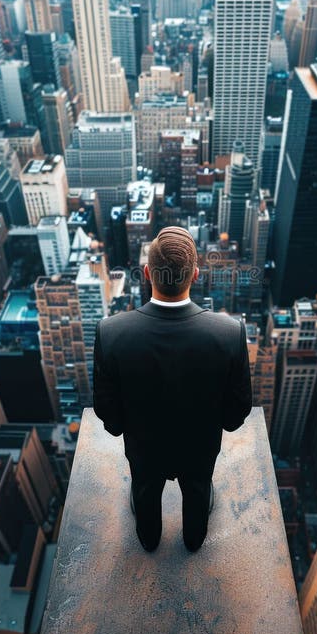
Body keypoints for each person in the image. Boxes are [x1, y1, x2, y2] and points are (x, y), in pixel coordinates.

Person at [93, 225, 253, 553]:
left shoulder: (110, 332)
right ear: (195, 275)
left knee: (144, 492)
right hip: (199, 447)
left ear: (148, 273)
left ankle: (149, 540)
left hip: (143, 448)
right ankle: (194, 540)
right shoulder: (229, 333)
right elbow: (238, 411)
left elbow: (106, 408)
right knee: (198, 492)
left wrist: (125, 428)